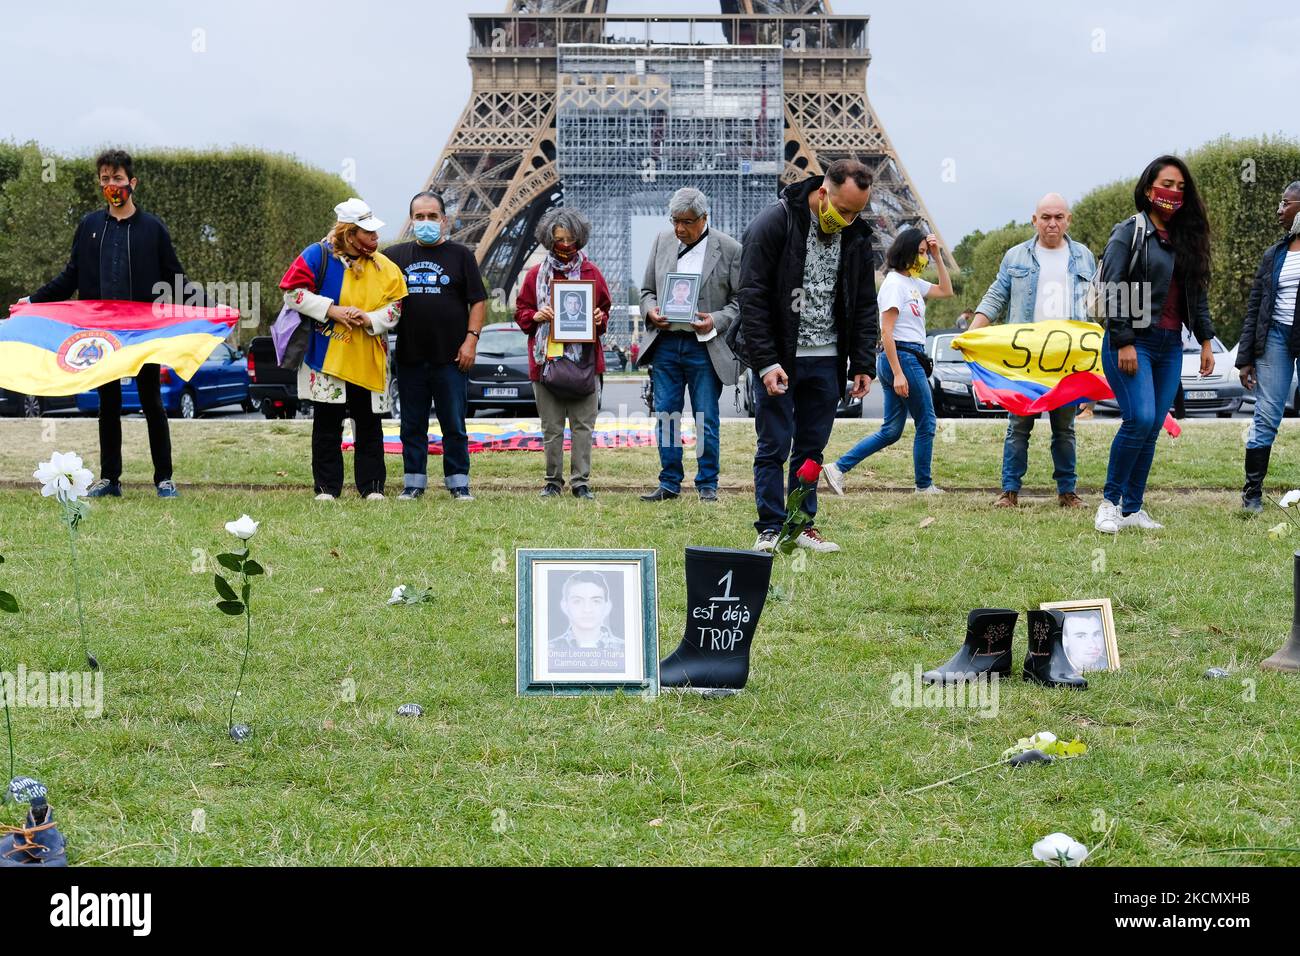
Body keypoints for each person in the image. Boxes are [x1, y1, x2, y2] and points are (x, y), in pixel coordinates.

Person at [23, 149, 201, 499]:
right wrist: (32, 301)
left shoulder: (153, 228)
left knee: (152, 402)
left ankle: (163, 479)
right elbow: (70, 276)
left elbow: (176, 278)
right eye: (105, 179)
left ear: (131, 183)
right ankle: (110, 479)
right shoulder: (90, 226)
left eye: (117, 178)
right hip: (101, 333)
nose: (111, 185)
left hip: (142, 331)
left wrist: (211, 308)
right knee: (108, 405)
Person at [738, 160, 878, 553]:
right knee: (773, 445)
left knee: (811, 450)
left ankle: (800, 525)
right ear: (822, 193)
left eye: (857, 212)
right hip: (782, 357)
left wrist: (863, 362)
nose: (849, 219)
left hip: (827, 359)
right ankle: (769, 526)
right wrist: (765, 361)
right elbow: (752, 297)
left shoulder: (857, 235)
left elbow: (865, 303)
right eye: (843, 209)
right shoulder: (774, 223)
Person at [1095, 156, 1216, 533]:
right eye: (1167, 184)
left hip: (1170, 346)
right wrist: (1125, 341)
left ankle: (1132, 508)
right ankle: (1109, 504)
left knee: (1151, 427)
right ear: (1149, 189)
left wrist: (1207, 340)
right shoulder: (1128, 232)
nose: (1174, 193)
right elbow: (1112, 289)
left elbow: (1196, 297)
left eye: (1181, 187)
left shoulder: (1185, 240)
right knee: (1140, 419)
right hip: (1133, 343)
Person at [965, 194, 1097, 509]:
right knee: (1018, 427)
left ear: (1069, 220)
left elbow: (1095, 308)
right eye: (1046, 217)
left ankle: (1068, 492)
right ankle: (1009, 491)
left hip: (1067, 358)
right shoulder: (1015, 257)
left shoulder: (1084, 258)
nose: (1053, 223)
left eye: (1059, 217)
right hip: (1026, 357)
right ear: (1034, 220)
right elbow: (997, 294)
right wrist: (973, 332)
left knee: (1065, 429)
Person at [280, 198, 407, 501]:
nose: (376, 239)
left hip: (367, 355)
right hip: (328, 356)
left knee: (369, 424)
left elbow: (396, 307)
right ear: (350, 234)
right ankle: (326, 489)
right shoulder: (317, 255)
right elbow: (292, 294)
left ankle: (372, 486)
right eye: (369, 234)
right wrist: (331, 310)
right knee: (326, 422)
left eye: (375, 233)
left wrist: (370, 318)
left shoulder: (384, 265)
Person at [821, 228, 952, 496]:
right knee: (926, 422)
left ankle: (837, 468)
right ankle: (924, 485)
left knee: (892, 430)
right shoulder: (894, 284)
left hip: (906, 356)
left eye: (925, 254)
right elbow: (886, 332)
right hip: (902, 357)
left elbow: (946, 291)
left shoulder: (912, 283)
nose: (924, 258)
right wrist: (898, 373)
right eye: (922, 253)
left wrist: (939, 257)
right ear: (906, 251)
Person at [636, 187, 742, 503]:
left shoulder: (730, 248)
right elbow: (646, 292)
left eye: (687, 222)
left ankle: (707, 482)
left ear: (704, 218)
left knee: (705, 417)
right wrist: (651, 311)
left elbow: (740, 302)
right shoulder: (661, 241)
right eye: (675, 221)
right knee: (666, 413)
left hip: (704, 346)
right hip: (667, 343)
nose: (680, 229)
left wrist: (716, 320)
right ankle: (669, 482)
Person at [384, 190, 486, 501]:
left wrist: (471, 340)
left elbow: (478, 301)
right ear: (411, 220)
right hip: (410, 356)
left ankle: (458, 483)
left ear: (443, 219)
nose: (426, 221)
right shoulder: (394, 257)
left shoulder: (461, 256)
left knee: (453, 424)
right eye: (419, 216)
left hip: (452, 358)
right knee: (411, 425)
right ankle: (414, 483)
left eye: (432, 216)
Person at [515, 208, 611, 500]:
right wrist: (537, 316)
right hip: (547, 362)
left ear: (580, 238)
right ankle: (552, 482)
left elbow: (605, 310)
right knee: (552, 427)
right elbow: (521, 315)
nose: (566, 245)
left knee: (583, 426)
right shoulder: (535, 275)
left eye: (571, 239)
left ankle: (581, 482)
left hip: (584, 362)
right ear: (549, 239)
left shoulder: (592, 273)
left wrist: (598, 318)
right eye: (559, 239)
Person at [1236, 181, 1300, 513]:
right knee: (1266, 413)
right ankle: (1252, 493)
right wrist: (1245, 357)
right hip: (1275, 336)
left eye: (1285, 203)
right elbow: (1255, 307)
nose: (1279, 209)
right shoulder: (1274, 254)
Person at [548, 570, 624, 673]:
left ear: (607, 607)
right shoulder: (548, 651)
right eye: (577, 601)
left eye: (596, 601)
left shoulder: (625, 650)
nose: (587, 609)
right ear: (565, 606)